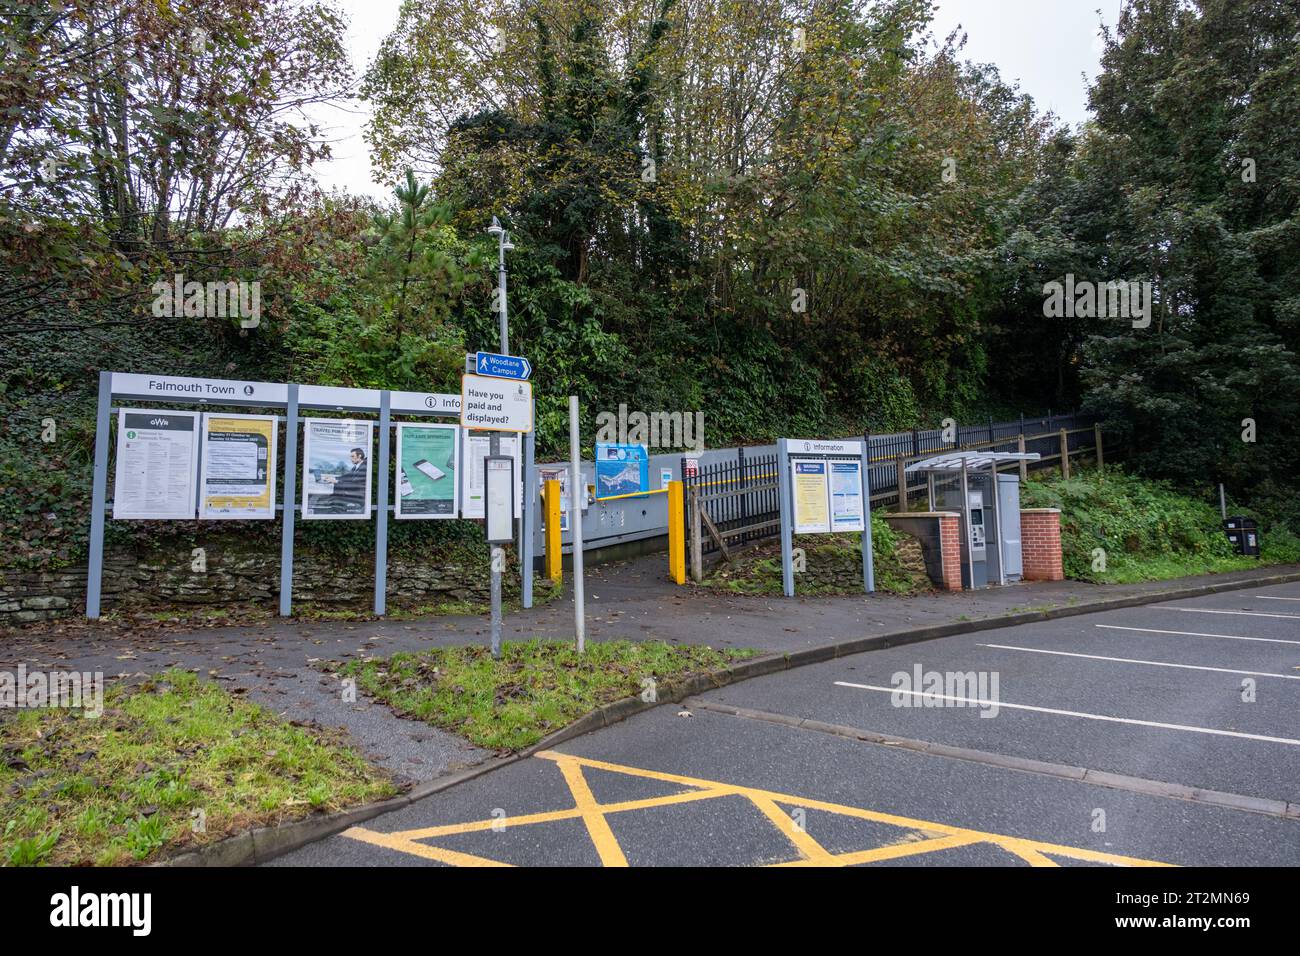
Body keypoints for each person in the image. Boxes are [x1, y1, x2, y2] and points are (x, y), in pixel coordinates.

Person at [323, 447, 368, 514]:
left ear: (359, 456)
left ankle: (335, 510)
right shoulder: (357, 466)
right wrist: (333, 478)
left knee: (333, 499)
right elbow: (346, 476)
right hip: (353, 493)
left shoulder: (364, 468)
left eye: (353, 456)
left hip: (357, 496)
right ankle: (334, 508)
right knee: (331, 498)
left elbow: (355, 485)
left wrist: (337, 481)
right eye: (351, 457)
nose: (351, 459)